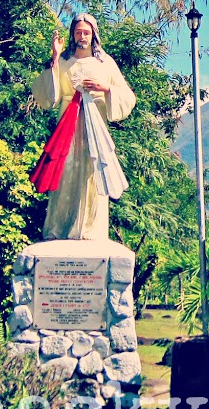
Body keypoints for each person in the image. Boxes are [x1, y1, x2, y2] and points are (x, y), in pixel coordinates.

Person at [30, 13, 136, 242]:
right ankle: (58, 228)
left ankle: (90, 230)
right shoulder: (65, 61)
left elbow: (127, 96)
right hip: (67, 125)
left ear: (94, 35)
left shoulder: (105, 63)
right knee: (65, 171)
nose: (82, 36)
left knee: (91, 172)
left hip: (94, 125)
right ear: (73, 34)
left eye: (86, 32)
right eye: (78, 32)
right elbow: (48, 96)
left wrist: (105, 88)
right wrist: (55, 58)